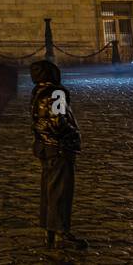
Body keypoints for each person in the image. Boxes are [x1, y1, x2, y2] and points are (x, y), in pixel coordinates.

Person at [29, 60, 86, 249]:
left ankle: (49, 231)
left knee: (49, 190)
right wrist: (73, 132)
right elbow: (58, 121)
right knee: (61, 191)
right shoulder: (57, 93)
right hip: (59, 147)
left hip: (44, 146)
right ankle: (62, 231)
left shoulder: (37, 92)